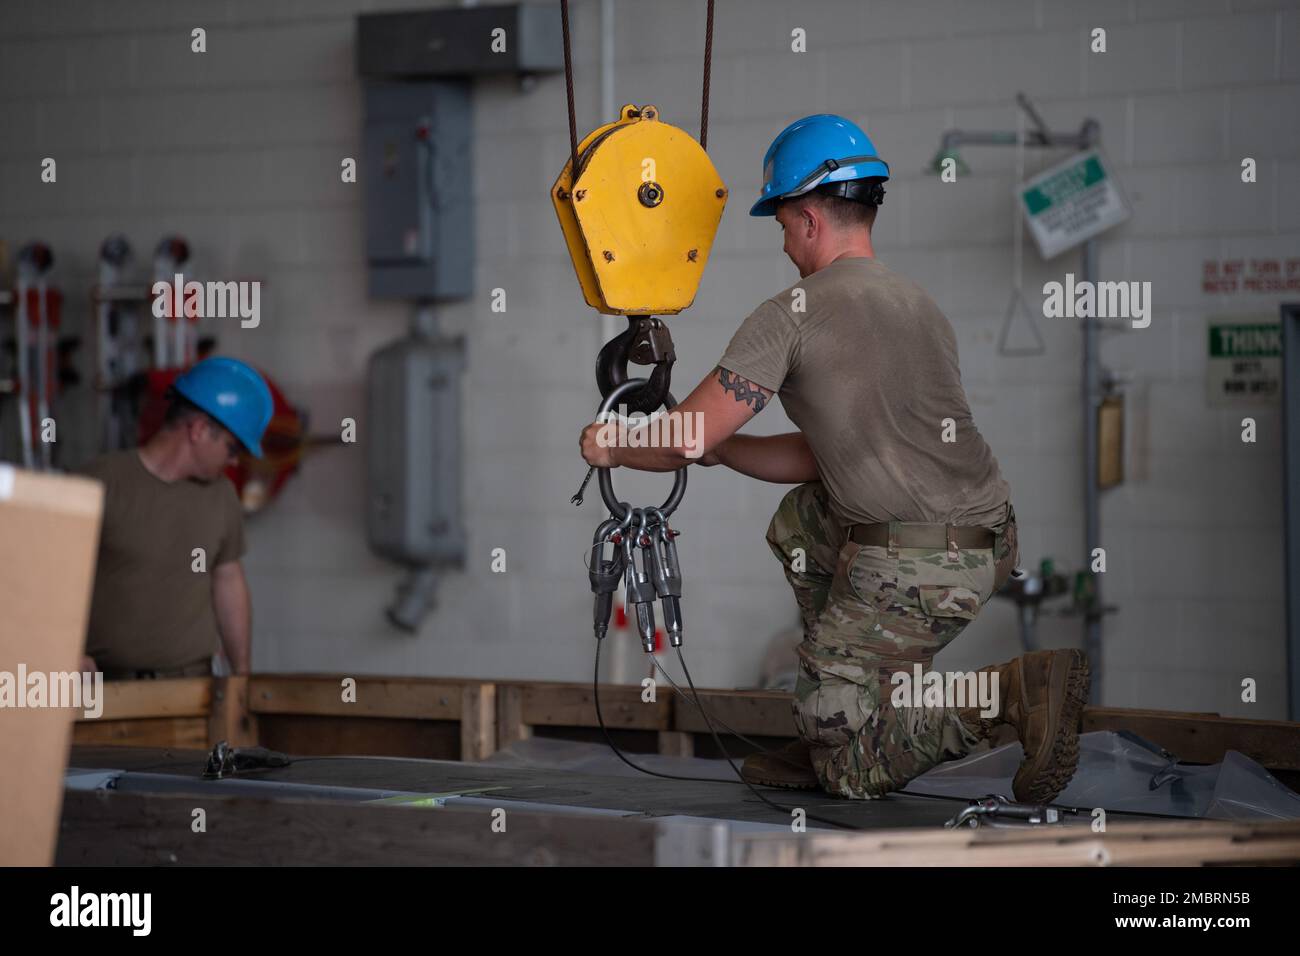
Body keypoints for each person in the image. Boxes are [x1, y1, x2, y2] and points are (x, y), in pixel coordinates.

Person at [580, 114, 1090, 803]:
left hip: (920, 558)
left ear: (810, 219)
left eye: (783, 223)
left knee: (850, 769)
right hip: (987, 535)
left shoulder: (792, 310)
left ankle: (994, 698)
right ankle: (839, 711)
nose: (784, 241)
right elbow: (835, 454)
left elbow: (683, 437)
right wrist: (727, 455)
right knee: (802, 523)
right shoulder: (918, 305)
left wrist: (611, 443)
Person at [79, 356, 272, 680]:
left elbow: (228, 581)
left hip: (191, 692)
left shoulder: (221, 496)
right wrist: (64, 651)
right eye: (232, 447)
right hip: (104, 691)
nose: (235, 462)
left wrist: (242, 677)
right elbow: (46, 574)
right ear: (198, 430)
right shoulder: (100, 483)